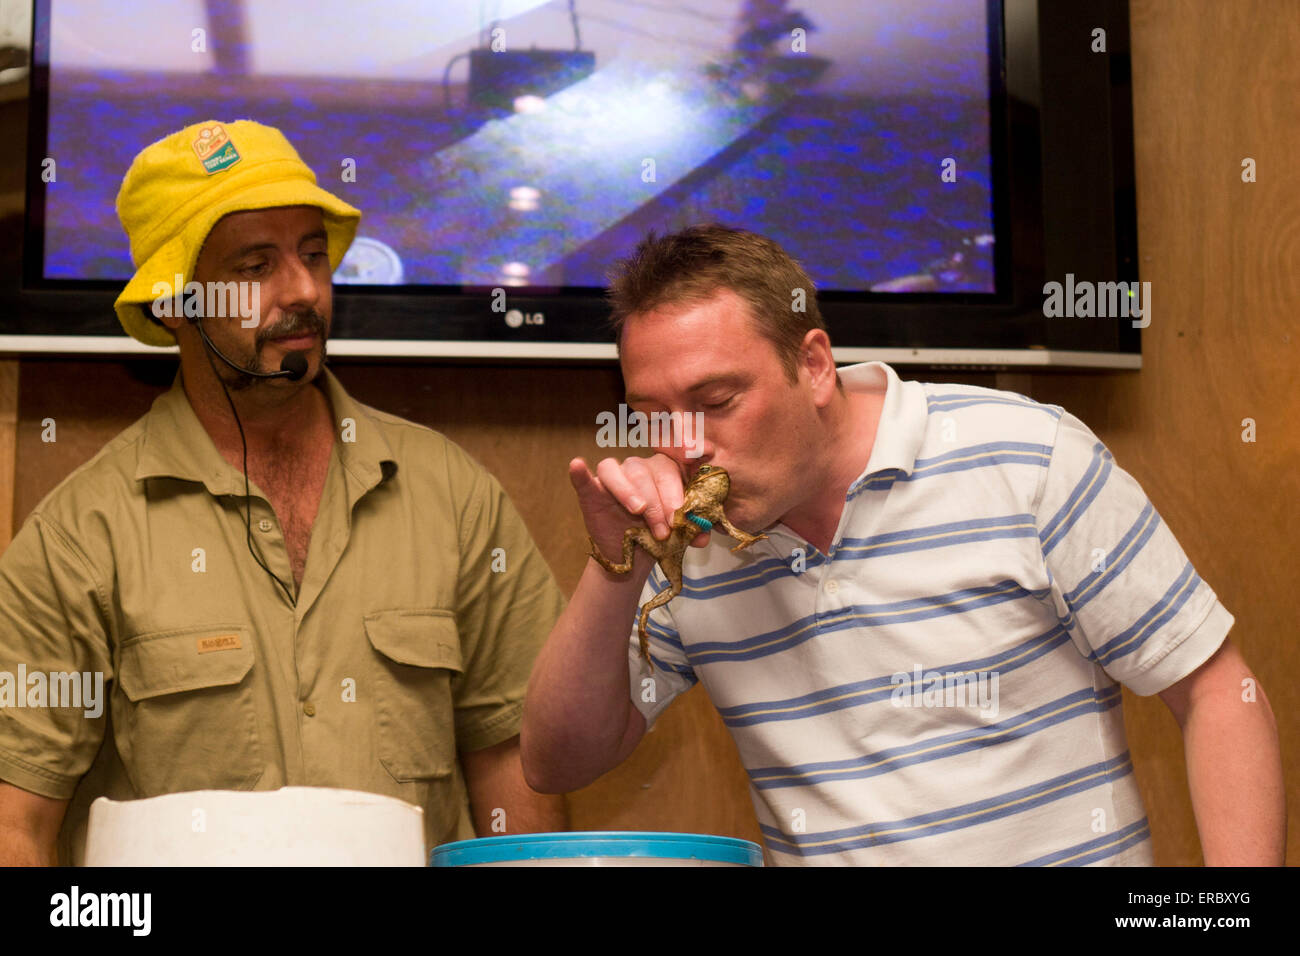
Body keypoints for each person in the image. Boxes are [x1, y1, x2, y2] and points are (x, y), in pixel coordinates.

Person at [520, 223, 1285, 866]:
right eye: (653, 414)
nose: (683, 446)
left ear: (814, 364)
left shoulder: (1025, 457)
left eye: (717, 401)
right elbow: (558, 762)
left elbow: (1218, 691)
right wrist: (615, 567)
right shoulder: (689, 543)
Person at [0, 120, 566, 865]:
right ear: (176, 303)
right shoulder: (78, 538)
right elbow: (19, 825)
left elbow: (515, 766)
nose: (303, 291)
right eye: (254, 266)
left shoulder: (454, 497)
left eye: (312, 256)